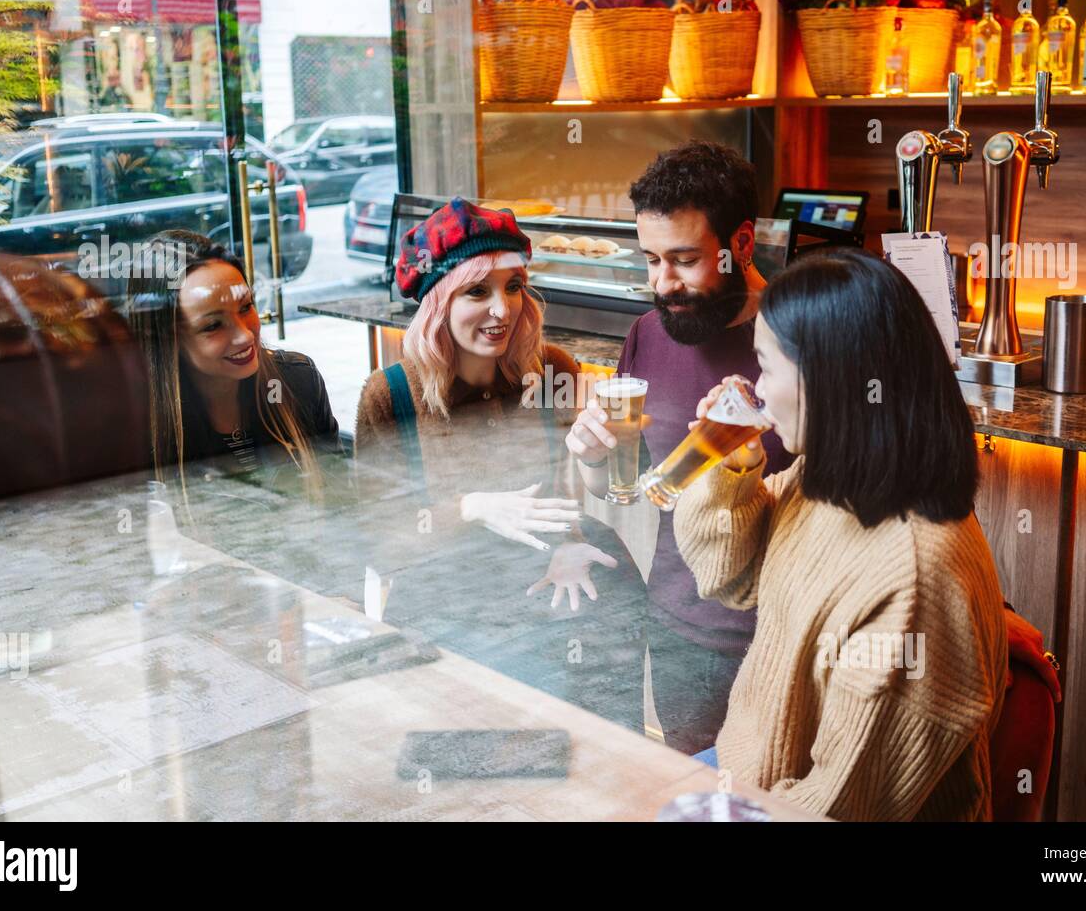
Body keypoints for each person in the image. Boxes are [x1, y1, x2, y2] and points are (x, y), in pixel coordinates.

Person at [675, 247, 1008, 821]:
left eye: (767, 366)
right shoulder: (829, 479)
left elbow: (835, 810)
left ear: (832, 380)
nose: (755, 386)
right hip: (744, 778)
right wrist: (736, 465)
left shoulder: (914, 579)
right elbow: (725, 578)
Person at [352, 197, 647, 727]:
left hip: (559, 595)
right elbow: (377, 541)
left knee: (596, 753)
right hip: (451, 619)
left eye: (513, 287)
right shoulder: (390, 395)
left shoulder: (552, 369)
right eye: (477, 291)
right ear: (436, 302)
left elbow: (583, 489)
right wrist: (469, 507)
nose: (502, 310)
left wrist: (574, 530)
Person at [563, 140, 791, 752]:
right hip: (679, 629)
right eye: (650, 259)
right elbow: (634, 488)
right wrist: (591, 461)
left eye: (684, 260)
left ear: (741, 243)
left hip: (784, 634)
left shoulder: (803, 339)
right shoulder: (647, 335)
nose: (662, 284)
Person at [127, 229, 339, 499]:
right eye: (213, 325)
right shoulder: (141, 430)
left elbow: (341, 502)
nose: (245, 335)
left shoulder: (298, 383)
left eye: (245, 306)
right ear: (168, 340)